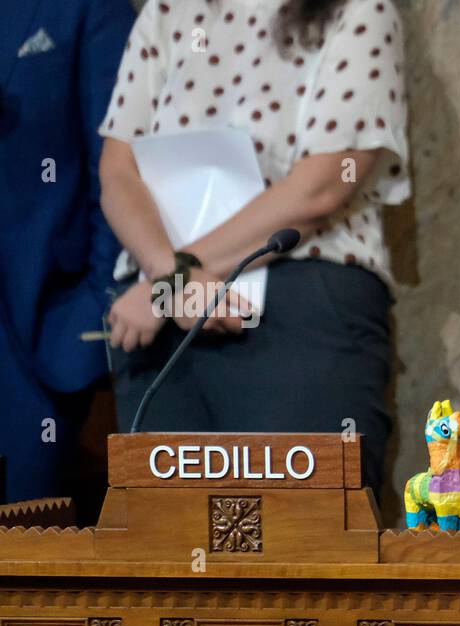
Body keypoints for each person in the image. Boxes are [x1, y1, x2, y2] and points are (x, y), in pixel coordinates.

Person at [99, 0, 410, 493]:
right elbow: (117, 170)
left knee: (304, 537)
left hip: (301, 300)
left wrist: (182, 271)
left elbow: (321, 187)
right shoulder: (170, 9)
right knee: (166, 544)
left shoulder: (358, 9)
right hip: (160, 311)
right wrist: (167, 273)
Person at [0, 0, 136, 504]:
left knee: (21, 562)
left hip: (29, 346)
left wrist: (86, 322)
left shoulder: (89, 9)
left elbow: (121, 169)